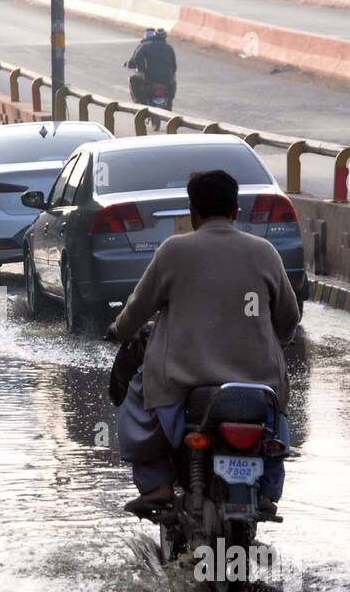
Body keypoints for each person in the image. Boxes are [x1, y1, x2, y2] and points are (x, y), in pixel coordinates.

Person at [108, 170, 301, 513]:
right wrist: (278, 343)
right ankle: (268, 492)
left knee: (137, 396)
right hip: (258, 384)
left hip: (184, 382)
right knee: (275, 422)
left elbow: (137, 310)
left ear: (193, 212)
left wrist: (118, 331)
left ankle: (157, 485)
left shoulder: (174, 251)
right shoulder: (265, 252)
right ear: (235, 210)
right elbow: (289, 318)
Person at [126, 27, 177, 110]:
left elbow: (136, 58)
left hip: (149, 77)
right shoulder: (169, 48)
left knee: (133, 80)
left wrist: (142, 70)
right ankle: (169, 103)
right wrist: (170, 75)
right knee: (173, 83)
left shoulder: (145, 45)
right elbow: (174, 66)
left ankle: (140, 104)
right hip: (166, 79)